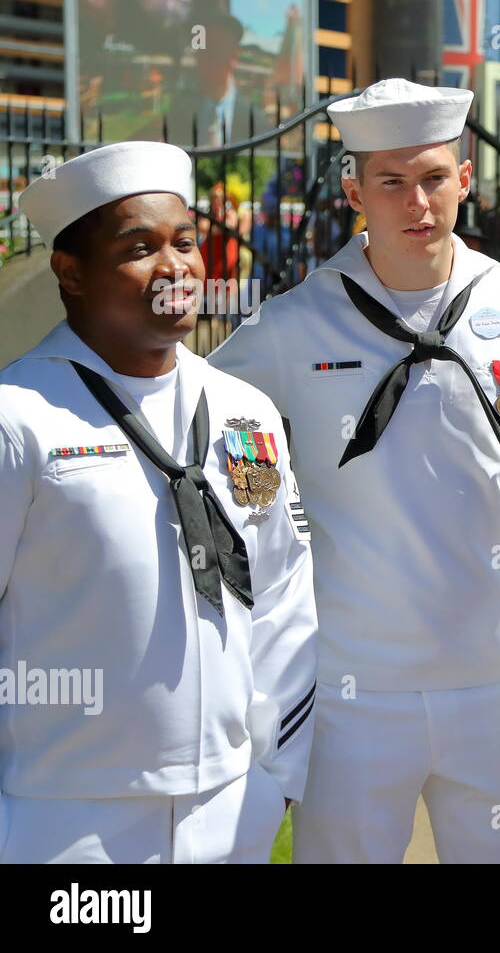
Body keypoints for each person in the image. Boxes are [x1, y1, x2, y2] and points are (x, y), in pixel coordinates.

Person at [209, 79, 500, 863]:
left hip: (497, 684)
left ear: (466, 180)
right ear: (353, 190)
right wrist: (269, 511)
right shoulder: (290, 325)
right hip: (351, 694)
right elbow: (203, 432)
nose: (418, 202)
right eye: (392, 182)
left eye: (435, 178)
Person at [1, 141, 317, 863]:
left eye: (184, 242)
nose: (175, 266)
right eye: (139, 247)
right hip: (64, 816)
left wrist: (278, 776)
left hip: (233, 806)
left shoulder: (245, 411)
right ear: (70, 272)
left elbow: (284, 590)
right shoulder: (20, 415)